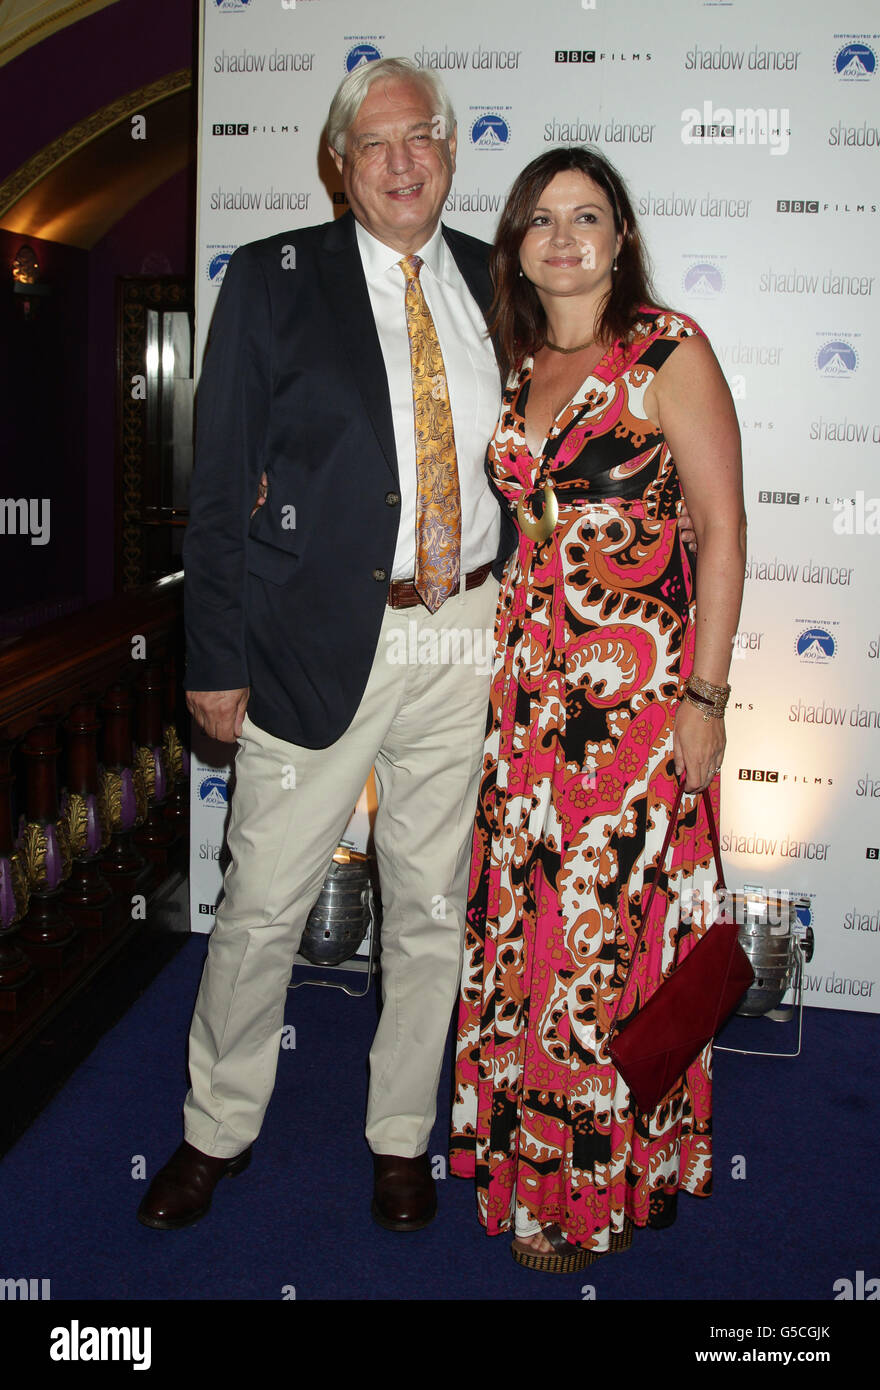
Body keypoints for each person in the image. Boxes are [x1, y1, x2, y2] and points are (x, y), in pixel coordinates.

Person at [137, 57, 512, 1233]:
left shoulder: (490, 279)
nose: (406, 160)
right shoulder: (273, 277)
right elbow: (217, 480)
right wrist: (213, 653)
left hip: (466, 631)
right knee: (262, 905)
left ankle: (403, 1135)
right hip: (309, 641)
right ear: (339, 166)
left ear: (450, 153)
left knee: (430, 901)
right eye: (378, 142)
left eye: (426, 137)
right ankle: (216, 1128)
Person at [449, 146, 747, 1273]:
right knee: (534, 936)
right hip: (529, 704)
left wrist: (705, 699)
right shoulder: (520, 363)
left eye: (587, 216)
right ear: (516, 245)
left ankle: (600, 1186)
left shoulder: (666, 350)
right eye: (540, 219)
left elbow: (721, 529)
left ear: (620, 238)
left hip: (636, 707)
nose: (563, 236)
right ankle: (565, 1160)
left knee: (605, 946)